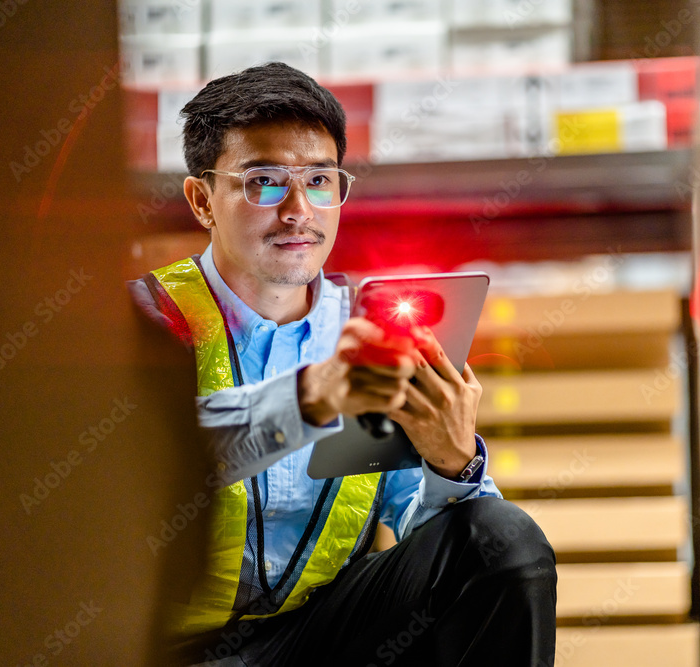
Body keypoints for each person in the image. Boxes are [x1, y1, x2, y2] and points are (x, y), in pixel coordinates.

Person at [129, 62, 557, 666]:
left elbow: (447, 546)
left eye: (321, 181)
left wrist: (452, 462)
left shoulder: (371, 329)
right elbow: (137, 464)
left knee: (501, 539)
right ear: (202, 200)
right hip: (159, 649)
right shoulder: (137, 322)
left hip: (322, 638)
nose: (299, 210)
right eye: (264, 182)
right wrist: (313, 397)